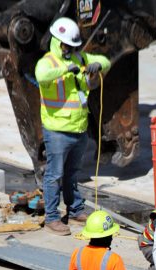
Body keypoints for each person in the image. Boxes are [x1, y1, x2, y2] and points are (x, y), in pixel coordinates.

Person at [36, 17, 111, 236]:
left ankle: (75, 209)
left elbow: (105, 61)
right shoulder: (47, 63)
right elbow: (42, 76)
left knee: (72, 173)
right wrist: (66, 69)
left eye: (74, 46)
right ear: (58, 42)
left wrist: (98, 65)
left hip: (79, 129)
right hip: (58, 131)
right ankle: (51, 217)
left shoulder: (80, 58)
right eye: (68, 45)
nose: (71, 49)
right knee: (54, 174)